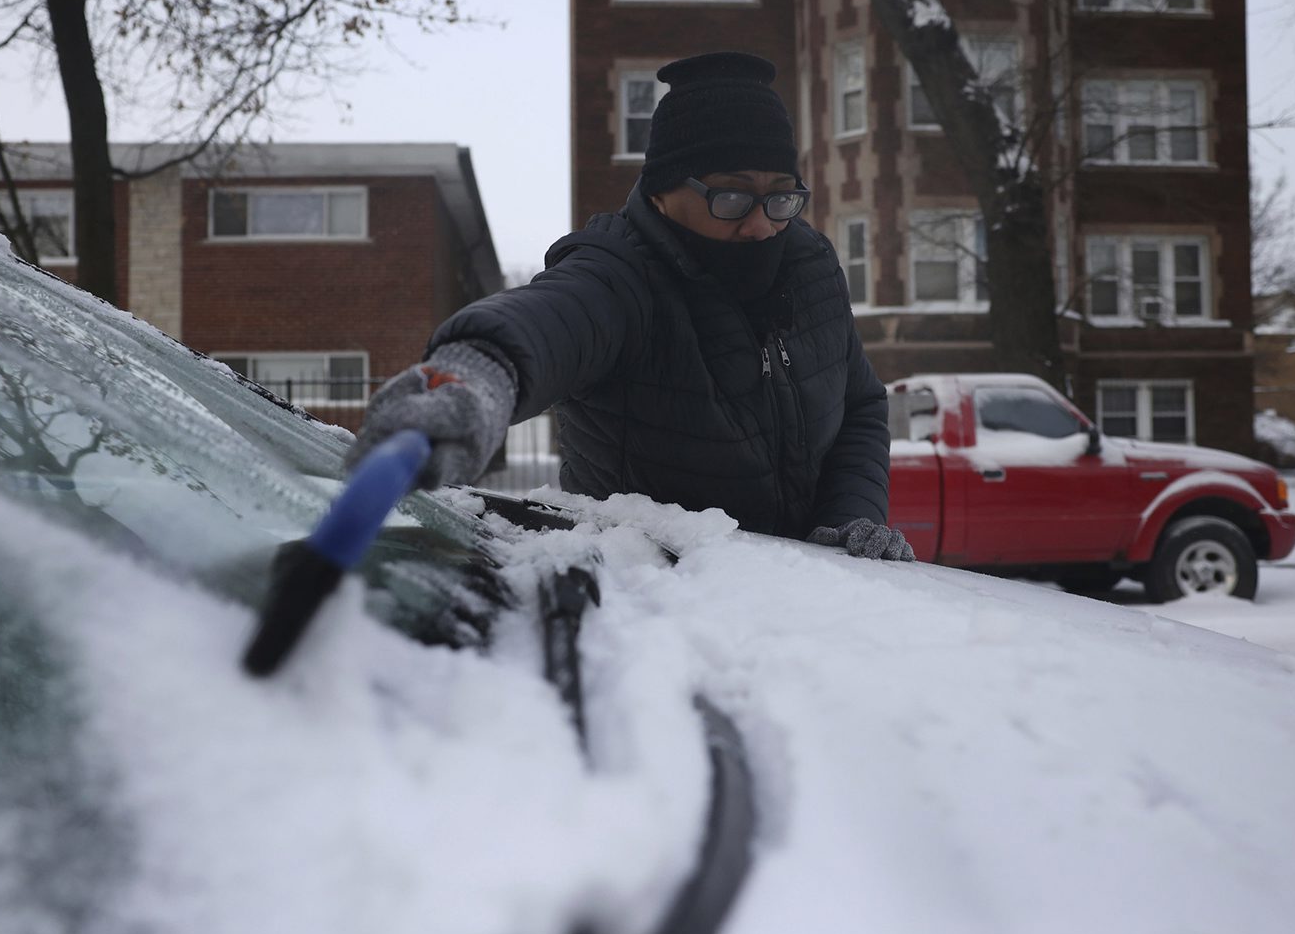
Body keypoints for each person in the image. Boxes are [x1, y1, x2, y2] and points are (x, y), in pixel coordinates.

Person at [346, 51, 913, 561]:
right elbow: (548, 320)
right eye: (733, 196)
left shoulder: (809, 265)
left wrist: (850, 521)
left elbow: (859, 403)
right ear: (664, 190)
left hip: (804, 606)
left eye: (781, 195)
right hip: (651, 613)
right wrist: (467, 381)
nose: (762, 223)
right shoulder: (620, 272)